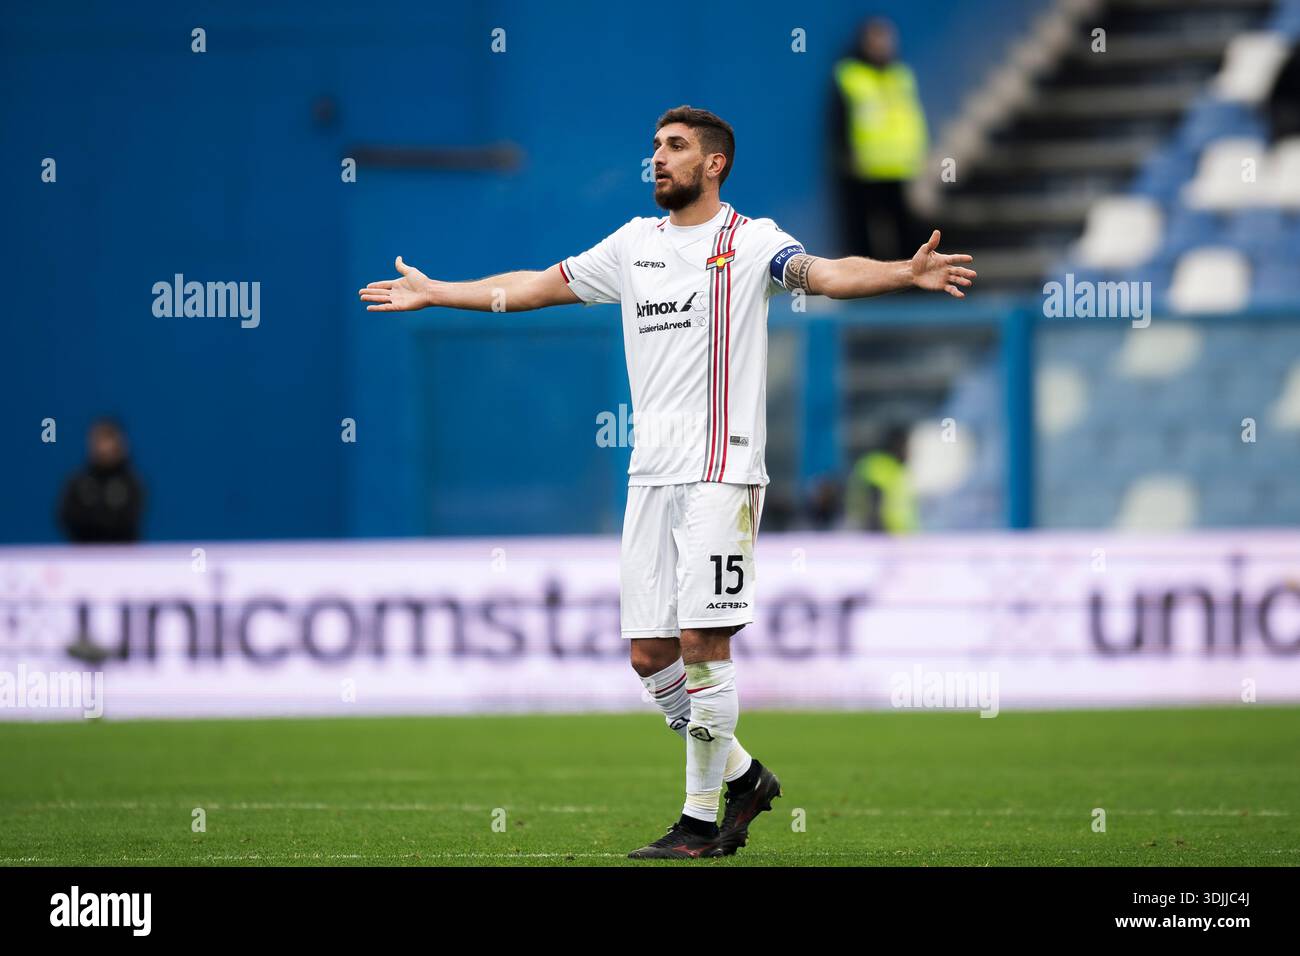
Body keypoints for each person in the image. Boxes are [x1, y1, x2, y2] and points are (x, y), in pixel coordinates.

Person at [359, 105, 974, 859]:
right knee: (651, 657)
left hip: (722, 470)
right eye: (655, 146)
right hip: (650, 474)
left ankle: (697, 820)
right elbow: (534, 286)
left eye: (676, 147)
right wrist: (439, 290)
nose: (658, 157)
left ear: (714, 165)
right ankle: (746, 775)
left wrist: (902, 273)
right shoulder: (632, 245)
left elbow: (825, 274)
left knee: (703, 642)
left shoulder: (751, 241)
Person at [831, 17, 929, 261]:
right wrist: (846, 155)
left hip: (899, 167)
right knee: (863, 230)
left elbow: (912, 117)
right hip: (864, 167)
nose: (883, 44)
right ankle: (868, 283)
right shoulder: (850, 75)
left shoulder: (901, 75)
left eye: (887, 38)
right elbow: (840, 120)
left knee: (904, 227)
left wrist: (920, 154)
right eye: (877, 38)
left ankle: (910, 280)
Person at [57, 417, 146, 543]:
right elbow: (67, 517)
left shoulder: (132, 484)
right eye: (98, 440)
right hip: (83, 555)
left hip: (123, 556)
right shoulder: (78, 482)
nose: (104, 446)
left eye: (108, 438)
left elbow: (128, 519)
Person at [847, 424, 919, 533]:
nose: (909, 451)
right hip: (884, 540)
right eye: (906, 445)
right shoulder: (878, 465)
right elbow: (872, 505)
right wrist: (879, 537)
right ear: (897, 444)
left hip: (897, 539)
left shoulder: (895, 468)